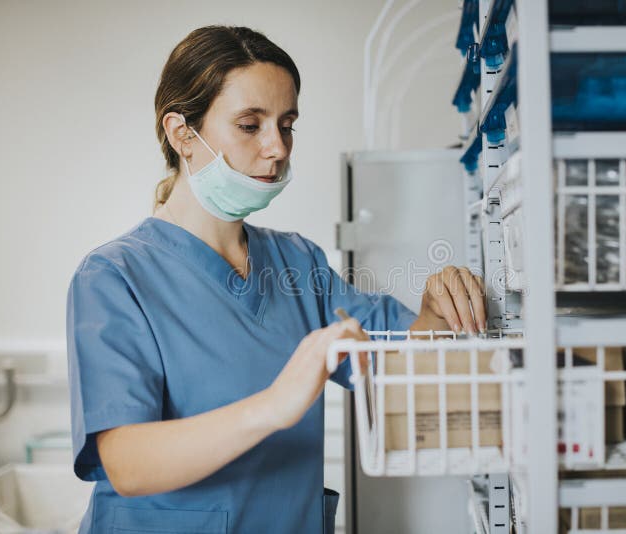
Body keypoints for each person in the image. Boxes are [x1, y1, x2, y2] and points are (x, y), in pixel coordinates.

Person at [66, 25, 486, 533]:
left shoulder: (298, 265)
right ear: (182, 134)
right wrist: (273, 405)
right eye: (250, 125)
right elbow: (126, 463)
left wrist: (435, 314)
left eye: (286, 124)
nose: (278, 148)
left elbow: (401, 362)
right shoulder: (114, 277)